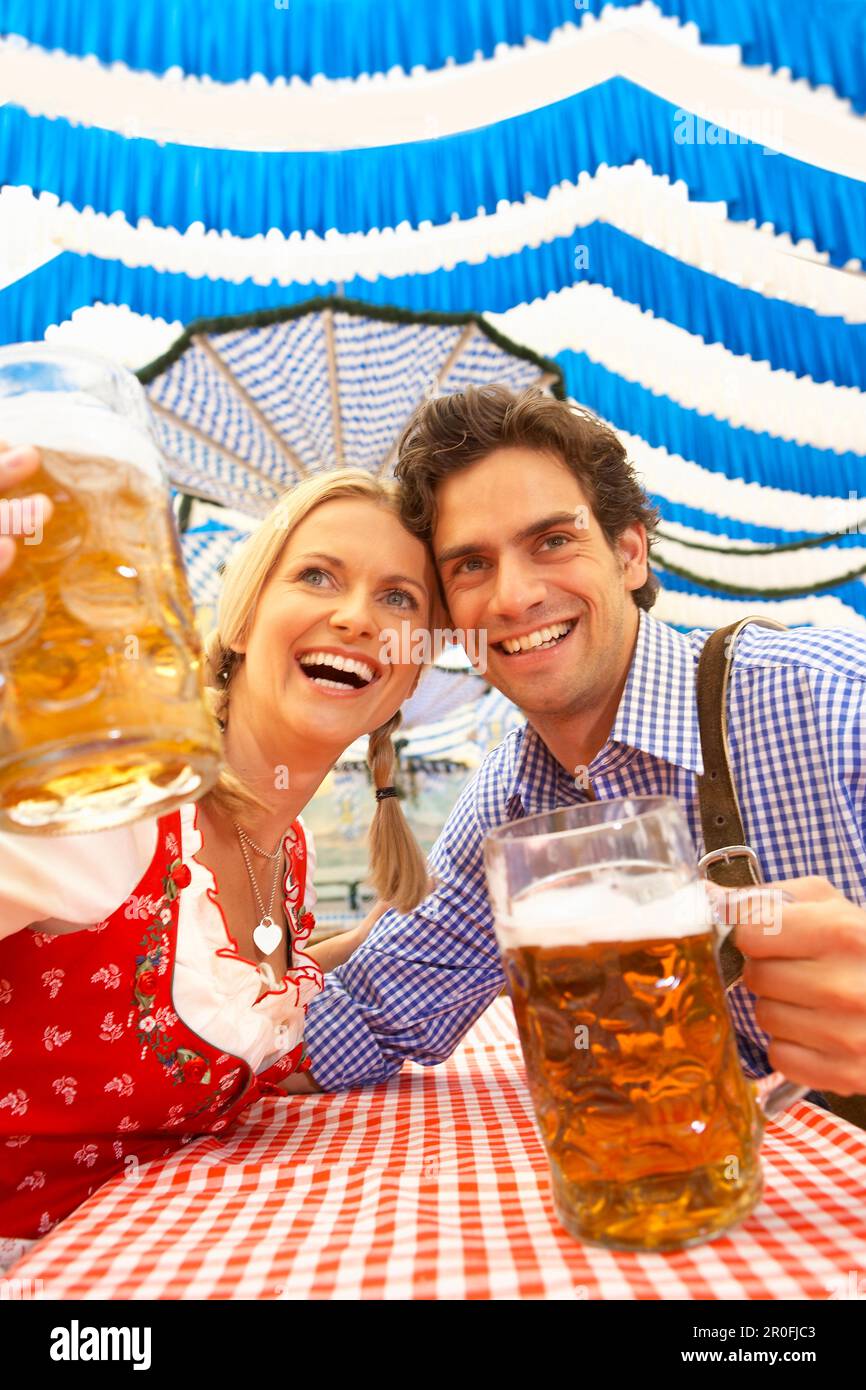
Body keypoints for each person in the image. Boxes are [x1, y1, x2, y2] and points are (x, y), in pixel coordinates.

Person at [286, 384, 866, 1111]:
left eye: (552, 542)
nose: (514, 597)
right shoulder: (509, 806)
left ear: (629, 554)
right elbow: (364, 1019)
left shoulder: (836, 701)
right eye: (470, 565)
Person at [0, 445, 443, 1266]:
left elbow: (259, 974)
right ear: (238, 621)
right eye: (317, 576)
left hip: (150, 1268)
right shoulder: (122, 796)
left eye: (398, 598)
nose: (357, 616)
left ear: (413, 673)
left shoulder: (292, 850)